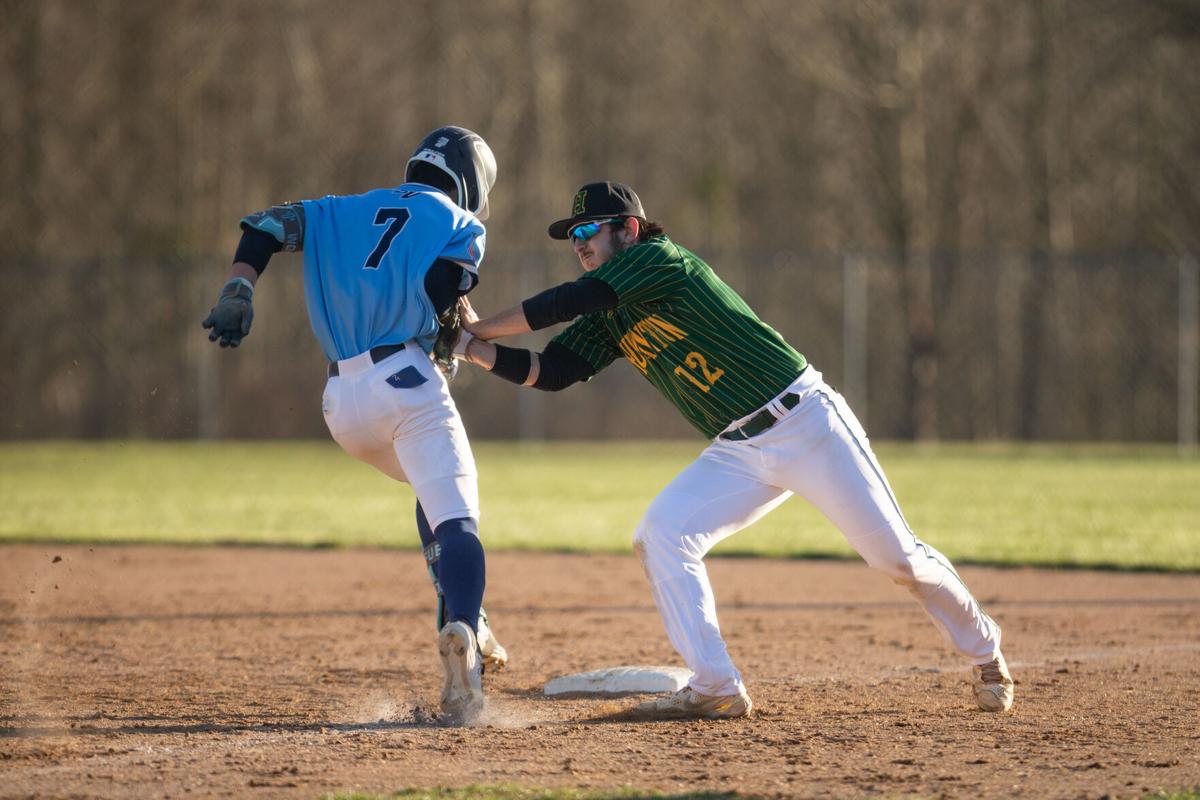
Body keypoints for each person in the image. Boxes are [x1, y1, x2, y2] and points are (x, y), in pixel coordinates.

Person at [451, 181, 1014, 719]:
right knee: (661, 535)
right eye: (571, 237)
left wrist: (484, 328)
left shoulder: (658, 259)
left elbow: (571, 300)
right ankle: (716, 687)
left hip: (806, 422)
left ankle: (985, 652)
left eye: (587, 230)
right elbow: (553, 371)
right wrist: (468, 348)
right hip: (738, 449)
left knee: (897, 559)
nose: (578, 244)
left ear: (629, 228)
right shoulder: (610, 312)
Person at [201, 126, 507, 722]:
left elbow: (264, 227)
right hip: (407, 383)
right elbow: (441, 290)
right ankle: (466, 637)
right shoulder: (461, 222)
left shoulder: (338, 209)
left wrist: (240, 286)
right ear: (472, 183)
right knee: (459, 520)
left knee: (430, 490)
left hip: (342, 402)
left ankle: (464, 610)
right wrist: (443, 331)